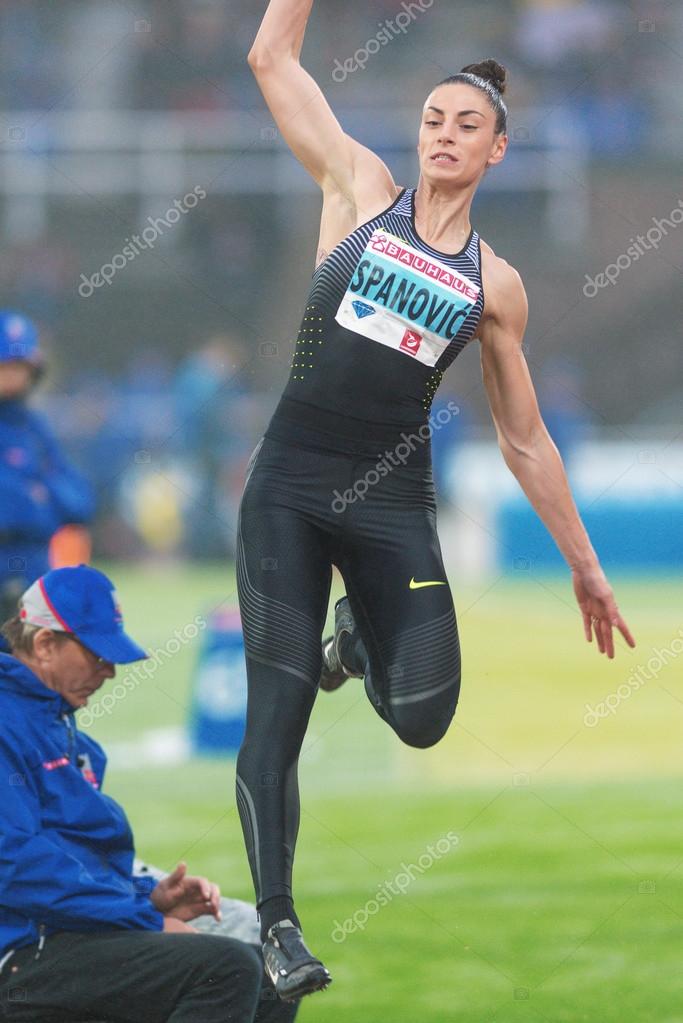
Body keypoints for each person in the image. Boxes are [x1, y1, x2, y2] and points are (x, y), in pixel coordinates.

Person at [236, 0, 636, 1002]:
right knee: (275, 711)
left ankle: (359, 641)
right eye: (431, 119)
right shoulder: (357, 188)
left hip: (389, 505)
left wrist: (583, 565)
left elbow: (522, 437)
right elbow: (268, 55)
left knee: (422, 719)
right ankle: (277, 929)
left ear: (497, 151)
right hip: (287, 486)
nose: (443, 135)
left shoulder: (491, 285)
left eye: (465, 125)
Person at [0, 565, 299, 1023]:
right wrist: (144, 919)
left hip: (56, 937)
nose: (110, 672)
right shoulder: (9, 722)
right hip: (20, 953)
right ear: (44, 645)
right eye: (97, 654)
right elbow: (14, 863)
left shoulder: (57, 725)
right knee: (228, 969)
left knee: (279, 969)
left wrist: (148, 898)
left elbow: (66, 855)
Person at [0, 310, 94, 624]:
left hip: (34, 570)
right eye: (5, 365)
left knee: (37, 668)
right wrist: (32, 495)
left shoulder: (34, 426)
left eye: (19, 366)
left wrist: (38, 497)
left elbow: (80, 501)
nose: (12, 375)